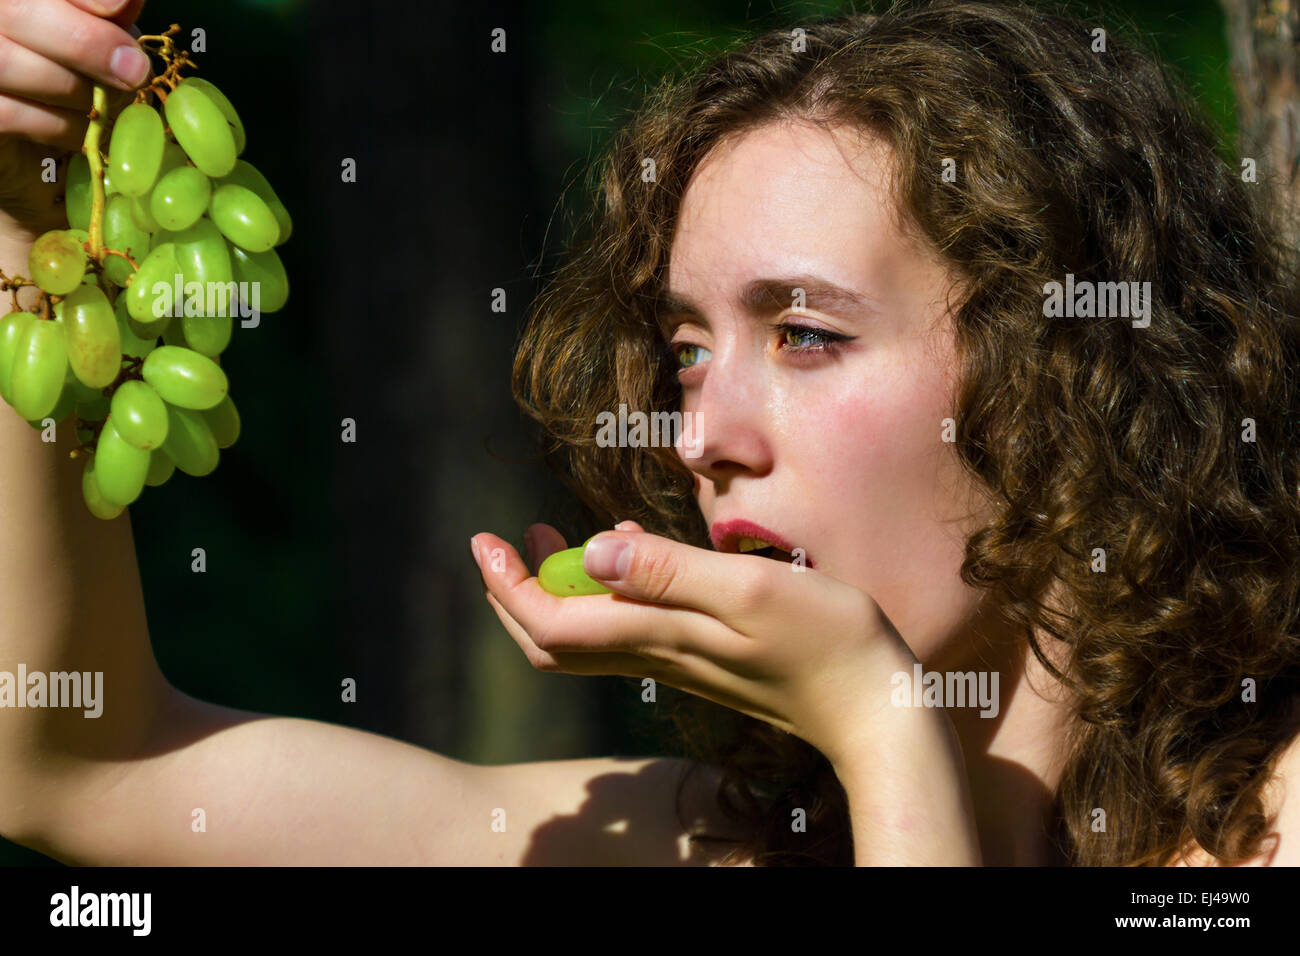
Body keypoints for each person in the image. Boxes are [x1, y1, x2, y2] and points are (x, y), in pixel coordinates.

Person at [0, 0, 1297, 868]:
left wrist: (879, 719)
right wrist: (27, 241)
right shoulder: (701, 842)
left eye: (804, 335)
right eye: (686, 351)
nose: (700, 436)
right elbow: (71, 761)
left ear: (1073, 368)